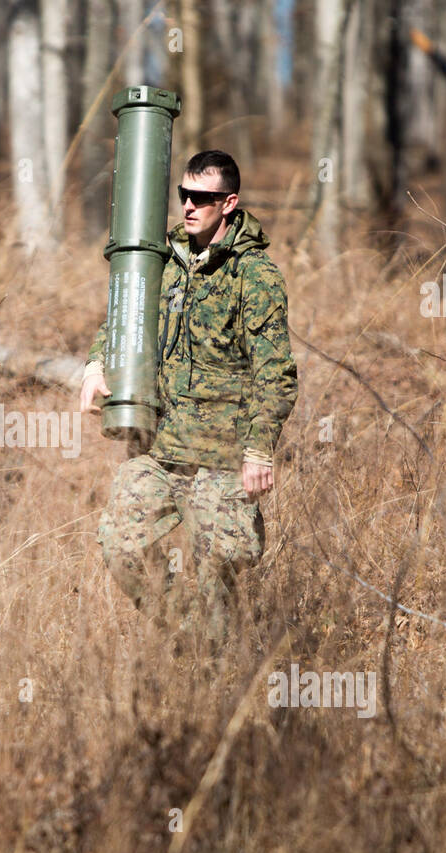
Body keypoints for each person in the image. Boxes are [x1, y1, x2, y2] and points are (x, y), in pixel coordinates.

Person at [79, 149, 299, 652]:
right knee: (120, 544)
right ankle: (191, 638)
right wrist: (96, 363)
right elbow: (125, 315)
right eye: (183, 195)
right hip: (161, 450)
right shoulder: (164, 260)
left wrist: (259, 450)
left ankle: (223, 668)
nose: (189, 206)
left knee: (219, 567)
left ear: (229, 202)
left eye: (201, 198)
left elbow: (276, 371)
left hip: (222, 456)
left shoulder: (255, 275)